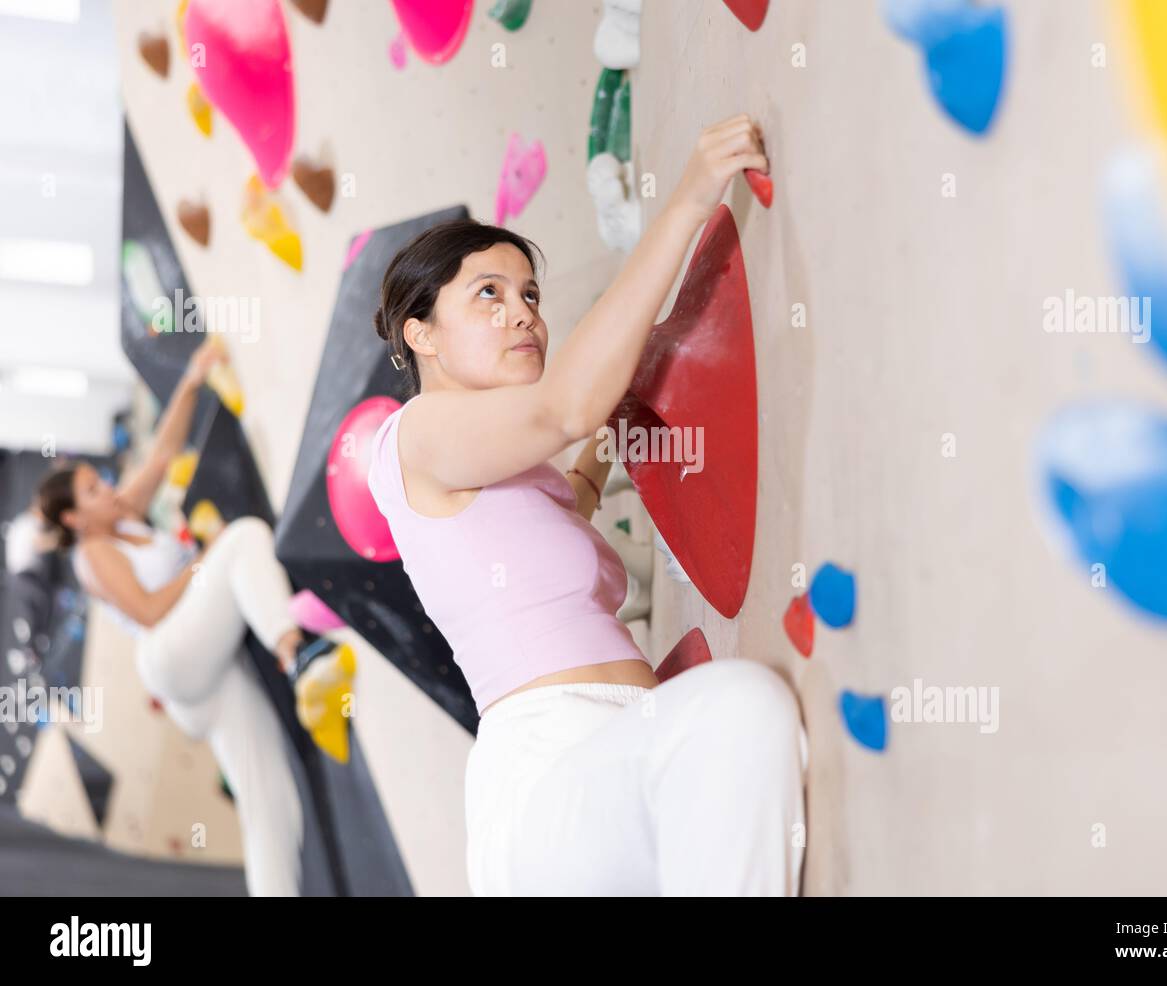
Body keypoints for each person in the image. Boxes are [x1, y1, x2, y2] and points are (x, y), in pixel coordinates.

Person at [368, 114, 808, 895]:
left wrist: (605, 436)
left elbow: (562, 497)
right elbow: (562, 410)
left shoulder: (501, 468)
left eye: (530, 294)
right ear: (422, 335)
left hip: (622, 750)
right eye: (489, 295)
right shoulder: (414, 435)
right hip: (546, 774)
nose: (524, 313)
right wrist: (690, 197)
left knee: (743, 722)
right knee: (741, 709)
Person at [37, 338, 333, 896]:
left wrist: (193, 378)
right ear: (75, 518)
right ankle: (298, 653)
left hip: (202, 674)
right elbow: (148, 611)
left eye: (100, 484)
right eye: (92, 491)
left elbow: (164, 451)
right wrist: (202, 563)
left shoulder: (120, 515)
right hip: (171, 659)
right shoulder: (92, 557)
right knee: (244, 539)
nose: (107, 490)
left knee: (270, 803)